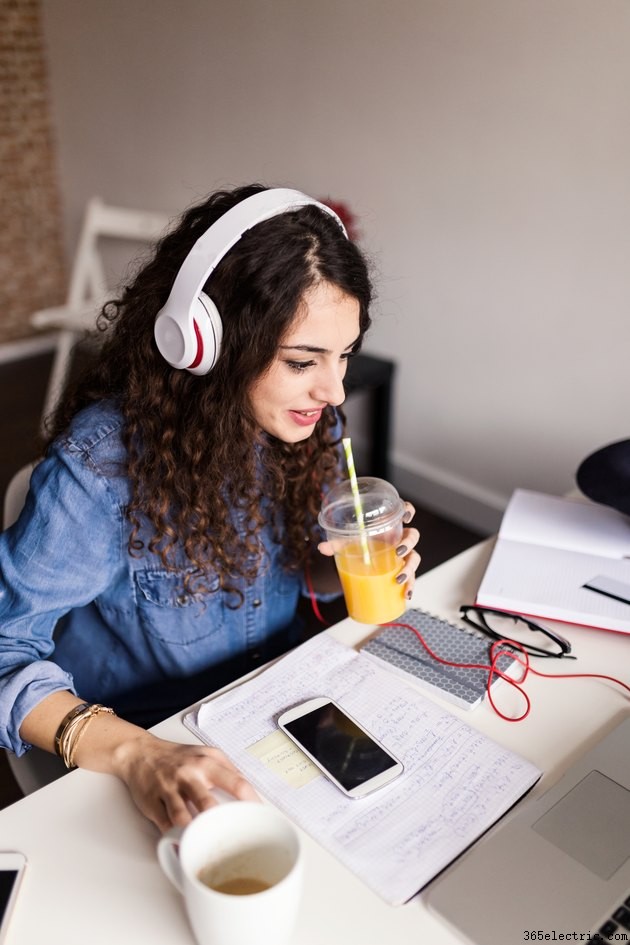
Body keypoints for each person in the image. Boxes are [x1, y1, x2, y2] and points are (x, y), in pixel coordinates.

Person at [0, 184, 420, 831]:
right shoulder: (101, 468)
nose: (335, 389)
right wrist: (140, 753)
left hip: (274, 707)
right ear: (209, 344)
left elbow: (288, 579)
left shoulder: (307, 426)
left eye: (345, 355)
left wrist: (334, 572)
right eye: (303, 360)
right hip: (151, 736)